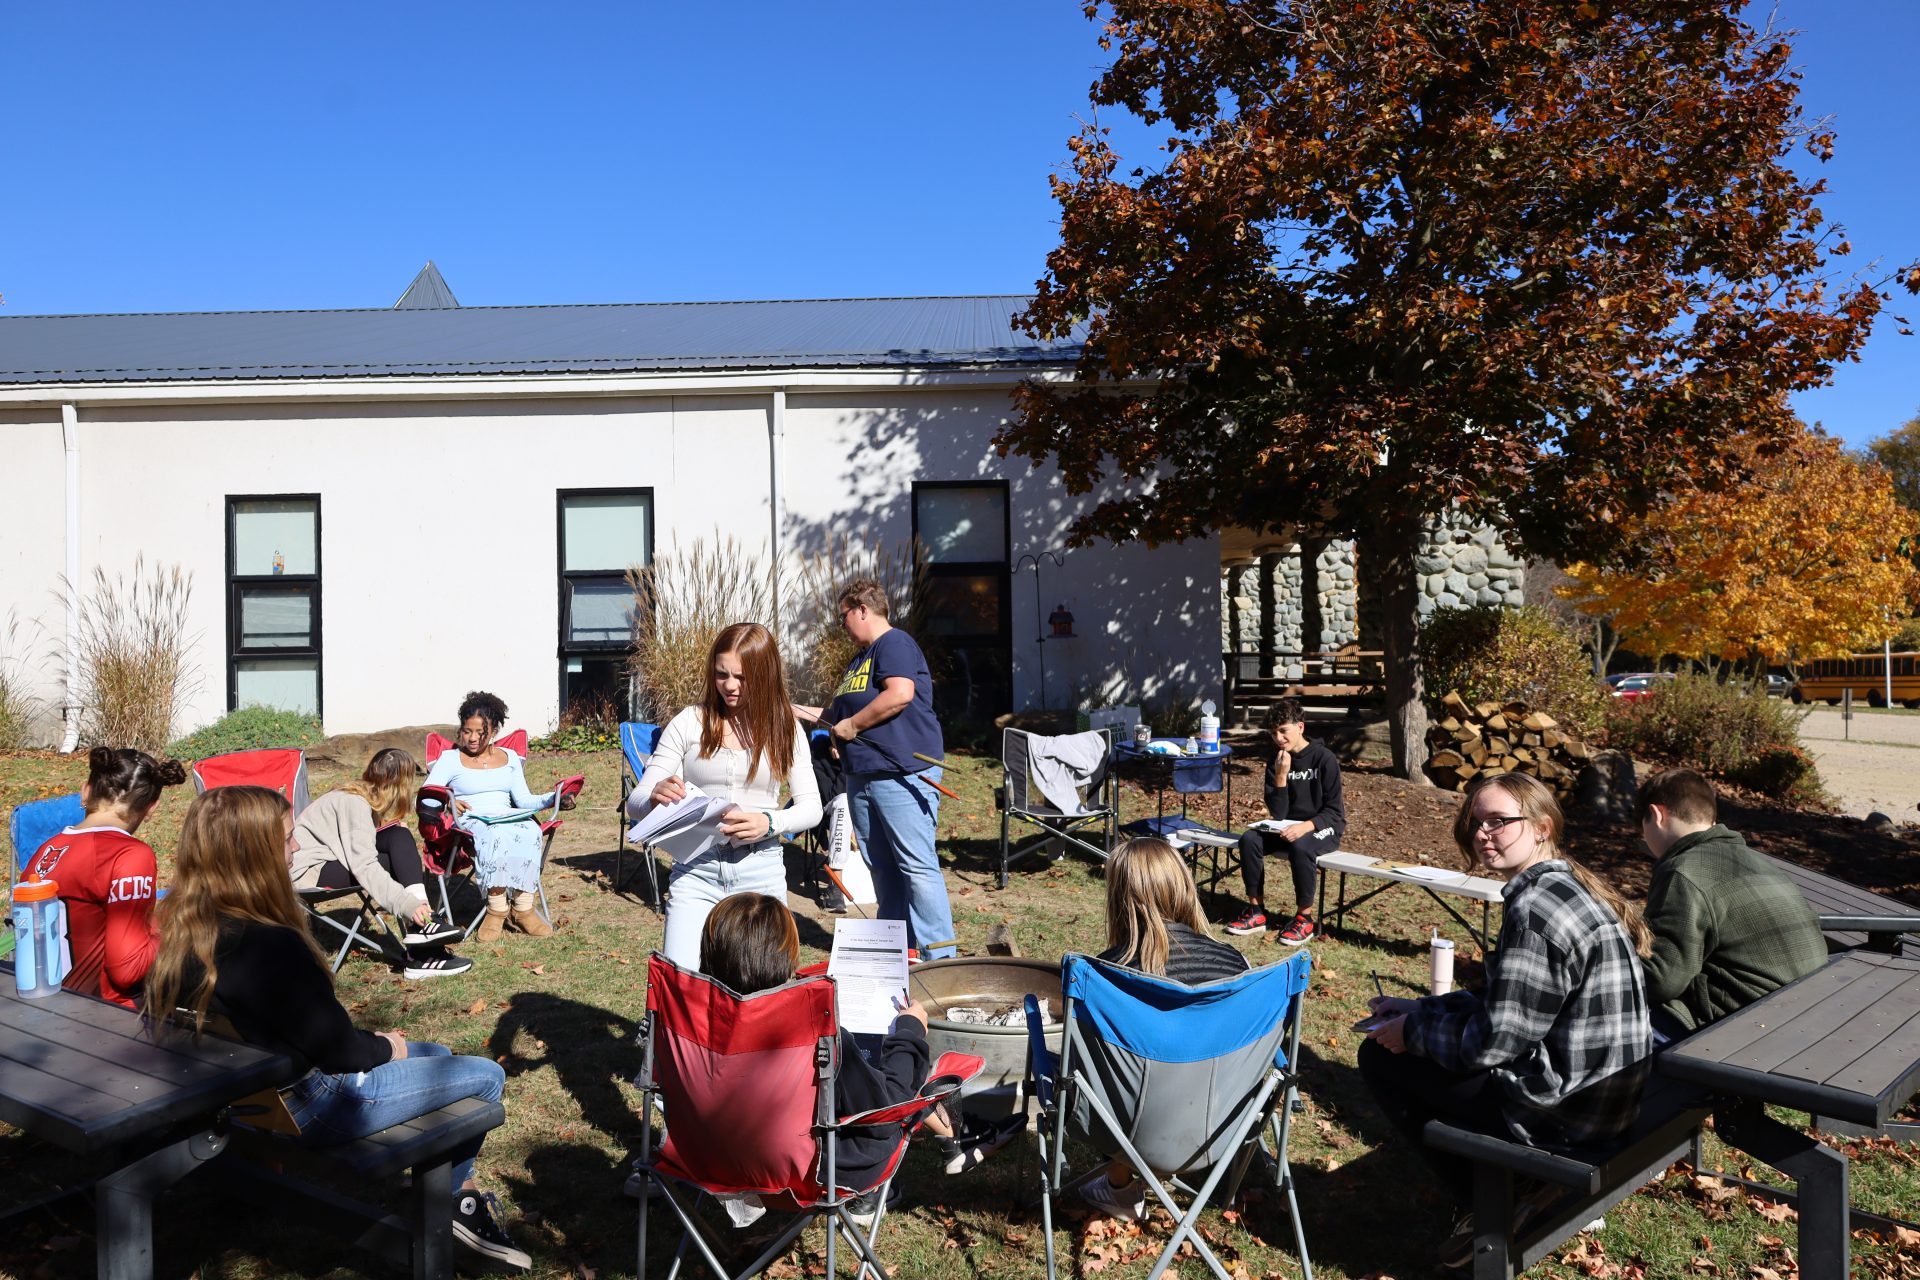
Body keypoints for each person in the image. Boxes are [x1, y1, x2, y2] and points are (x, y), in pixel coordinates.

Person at [142, 786, 530, 1271]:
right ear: (253, 853)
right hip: (317, 1105)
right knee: (484, 1076)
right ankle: (452, 1203)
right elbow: (339, 1052)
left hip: (245, 1097)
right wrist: (386, 1047)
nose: (298, 848)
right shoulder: (270, 943)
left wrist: (386, 1048)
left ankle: (446, 1189)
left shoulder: (184, 926)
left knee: (440, 1054)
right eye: (287, 839)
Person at [1359, 772, 1652, 1270]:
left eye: (1499, 821)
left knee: (1379, 1058)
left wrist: (1410, 1034)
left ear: (1541, 827)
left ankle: (1495, 1200)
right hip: (1607, 1094)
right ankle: (1502, 1189)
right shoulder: (1568, 885)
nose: (1482, 833)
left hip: (1568, 1113)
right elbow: (1514, 1004)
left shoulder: (1535, 911)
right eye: (1477, 822)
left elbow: (1493, 1043)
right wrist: (1424, 1008)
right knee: (1419, 1049)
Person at [697, 892, 929, 1220]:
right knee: (886, 1100)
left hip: (712, 1159)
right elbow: (886, 1109)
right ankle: (871, 1196)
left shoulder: (687, 1024)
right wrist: (908, 1034)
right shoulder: (815, 1029)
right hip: (812, 1177)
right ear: (786, 960)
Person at [630, 623, 822, 970]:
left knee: (765, 987)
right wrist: (654, 797)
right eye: (722, 674)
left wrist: (769, 822)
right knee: (681, 981)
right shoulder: (690, 722)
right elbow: (637, 802)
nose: (730, 686)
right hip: (696, 869)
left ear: (764, 674)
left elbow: (812, 807)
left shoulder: (784, 727)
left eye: (741, 677)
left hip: (760, 869)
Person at [1079, 835, 1253, 1219]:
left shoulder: (1107, 977)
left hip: (1133, 1129)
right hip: (1220, 1126)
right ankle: (1226, 1183)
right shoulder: (1235, 966)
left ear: (1119, 899)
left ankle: (1121, 1188)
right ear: (1182, 887)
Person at [808, 578, 955, 960]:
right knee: (883, 871)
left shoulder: (895, 643)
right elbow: (836, 717)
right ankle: (898, 954)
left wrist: (853, 727)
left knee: (916, 868)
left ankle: (940, 959)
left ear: (862, 609)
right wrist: (791, 708)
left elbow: (900, 693)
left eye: (843, 617)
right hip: (863, 777)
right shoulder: (859, 659)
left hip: (901, 772)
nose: (841, 625)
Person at [1638, 767, 1828, 1038]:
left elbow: (1661, 980)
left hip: (1751, 1034)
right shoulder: (1756, 861)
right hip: (1809, 1014)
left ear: (1656, 815)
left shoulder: (1682, 870)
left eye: (1642, 829)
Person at [290, 748, 471, 980]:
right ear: (400, 785)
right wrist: (407, 905)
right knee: (395, 849)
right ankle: (423, 932)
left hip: (324, 861)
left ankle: (423, 938)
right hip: (307, 874)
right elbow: (364, 866)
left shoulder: (360, 796)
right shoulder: (355, 804)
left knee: (398, 836)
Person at [27, 746, 186, 1008]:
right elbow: (127, 968)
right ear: (152, 807)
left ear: (85, 790)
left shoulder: (45, 852)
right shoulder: (130, 855)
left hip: (42, 1008)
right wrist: (178, 930)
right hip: (103, 1019)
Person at [424, 691, 576, 942]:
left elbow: (525, 800)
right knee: (495, 834)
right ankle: (496, 909)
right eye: (467, 731)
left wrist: (555, 798)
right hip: (472, 821)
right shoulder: (450, 760)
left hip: (508, 816)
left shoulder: (510, 758)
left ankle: (523, 908)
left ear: (493, 731)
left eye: (480, 732)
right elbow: (428, 796)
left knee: (530, 830)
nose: (472, 738)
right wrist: (449, 803)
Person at [1224, 698, 1344, 944]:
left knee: (1301, 847)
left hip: (1323, 827)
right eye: (1273, 733)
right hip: (1286, 826)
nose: (1278, 738)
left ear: (1300, 727)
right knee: (1249, 840)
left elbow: (1334, 811)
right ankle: (1257, 912)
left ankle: (1304, 919)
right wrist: (1280, 776)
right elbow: (1278, 814)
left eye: (1283, 731)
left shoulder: (1324, 759)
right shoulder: (1277, 760)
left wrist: (1304, 827)